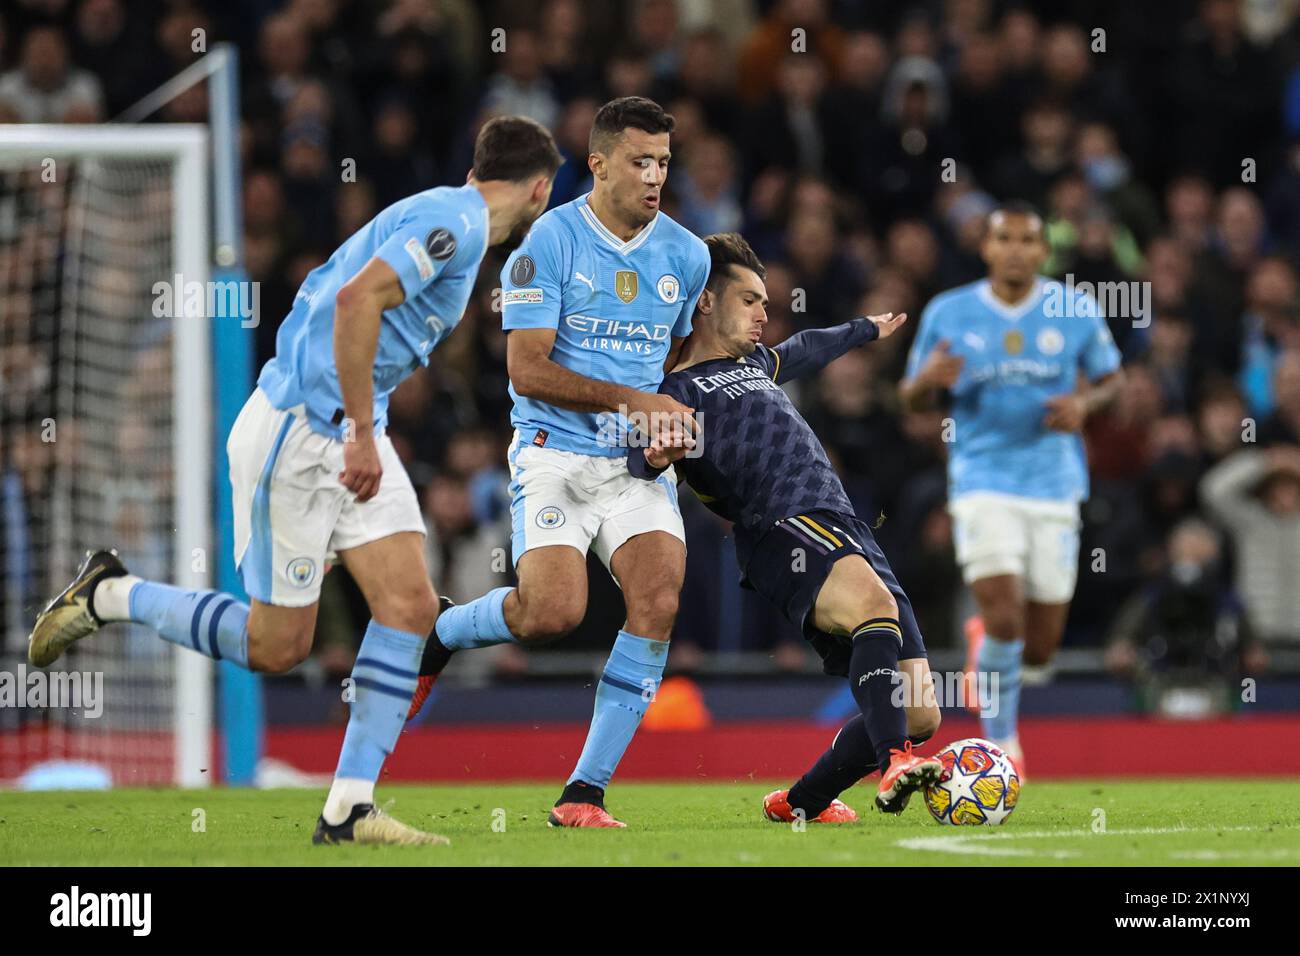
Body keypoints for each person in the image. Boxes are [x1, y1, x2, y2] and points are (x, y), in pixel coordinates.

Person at [26, 116, 562, 846]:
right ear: (541, 187)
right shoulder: (457, 224)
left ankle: (349, 807)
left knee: (407, 605)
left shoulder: (442, 215)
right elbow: (353, 301)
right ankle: (110, 592)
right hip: (307, 432)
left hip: (342, 424)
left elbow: (334, 290)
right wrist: (362, 432)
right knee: (278, 647)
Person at [406, 97, 712, 828]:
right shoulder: (549, 242)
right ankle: (443, 633)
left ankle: (584, 792)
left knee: (659, 597)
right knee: (552, 613)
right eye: (640, 161)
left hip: (633, 467)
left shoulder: (688, 256)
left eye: (664, 163)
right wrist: (630, 402)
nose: (654, 176)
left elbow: (672, 360)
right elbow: (527, 370)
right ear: (599, 164)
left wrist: (664, 418)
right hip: (554, 454)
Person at [630, 232, 943, 821]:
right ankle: (894, 760)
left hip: (845, 525)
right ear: (706, 301)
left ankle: (801, 802)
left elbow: (804, 348)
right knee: (873, 611)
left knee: (921, 711)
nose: (763, 313)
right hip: (781, 527)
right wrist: (652, 457)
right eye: (750, 300)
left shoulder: (755, 363)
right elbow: (634, 463)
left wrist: (862, 330)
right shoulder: (671, 392)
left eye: (766, 303)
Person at [899, 201, 1124, 773]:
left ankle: (991, 648)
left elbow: (1113, 381)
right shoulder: (949, 312)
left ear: (1044, 250)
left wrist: (1084, 403)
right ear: (987, 247)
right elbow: (910, 398)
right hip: (982, 479)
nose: (1017, 250)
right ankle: (1003, 742)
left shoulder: (1073, 309)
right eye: (1006, 239)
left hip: (1054, 484)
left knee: (1041, 647)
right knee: (1005, 617)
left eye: (1029, 240)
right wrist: (927, 382)